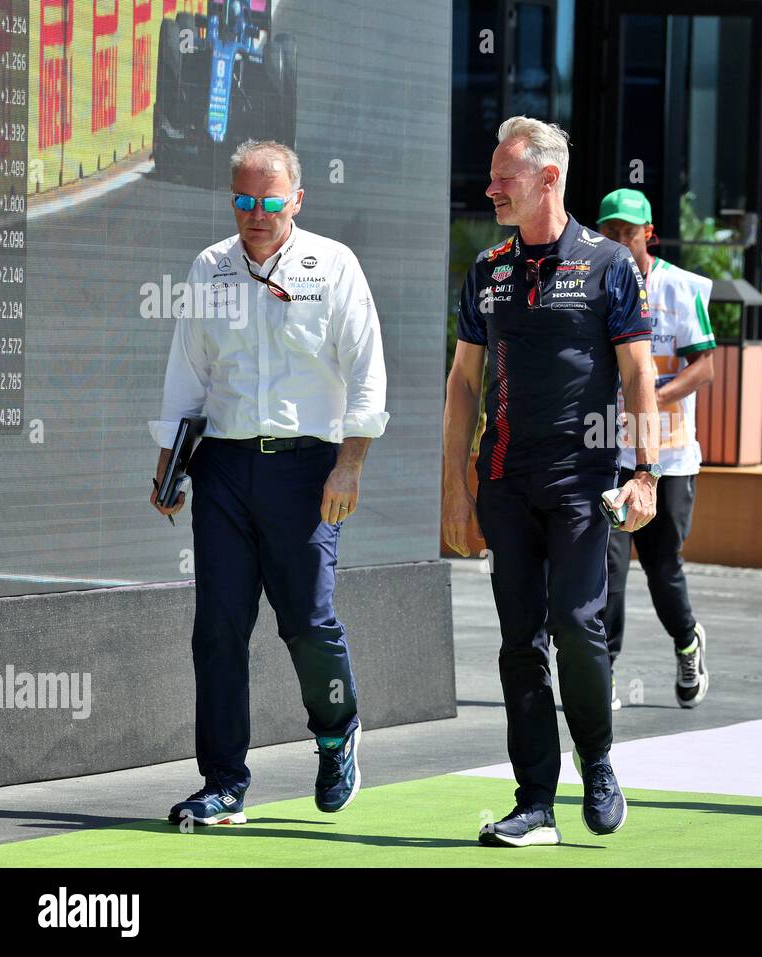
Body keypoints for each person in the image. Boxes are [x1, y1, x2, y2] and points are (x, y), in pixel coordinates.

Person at [152, 140, 388, 826]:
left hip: (308, 467)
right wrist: (167, 462)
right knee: (217, 630)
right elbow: (187, 372)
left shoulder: (333, 264)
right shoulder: (210, 266)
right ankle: (224, 782)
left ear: (297, 200)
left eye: (269, 201)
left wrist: (351, 462)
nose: (256, 215)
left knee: (307, 622)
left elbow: (367, 372)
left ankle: (337, 727)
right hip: (222, 467)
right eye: (243, 201)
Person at [443, 117, 659, 848]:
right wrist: (454, 490)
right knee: (518, 641)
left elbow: (638, 372)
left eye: (505, 174)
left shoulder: (607, 265)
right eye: (494, 173)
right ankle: (535, 800)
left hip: (583, 480)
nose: (491, 186)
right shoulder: (489, 268)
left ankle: (596, 760)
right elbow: (463, 384)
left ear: (548, 178)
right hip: (503, 478)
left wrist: (646, 470)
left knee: (576, 621)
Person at [596, 188, 715, 711]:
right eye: (611, 231)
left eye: (629, 231)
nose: (620, 239)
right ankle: (606, 670)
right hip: (609, 453)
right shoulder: (591, 286)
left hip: (668, 457)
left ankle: (687, 644)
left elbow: (704, 366)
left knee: (662, 564)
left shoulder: (680, 288)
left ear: (649, 234)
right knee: (609, 567)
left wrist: (650, 398)